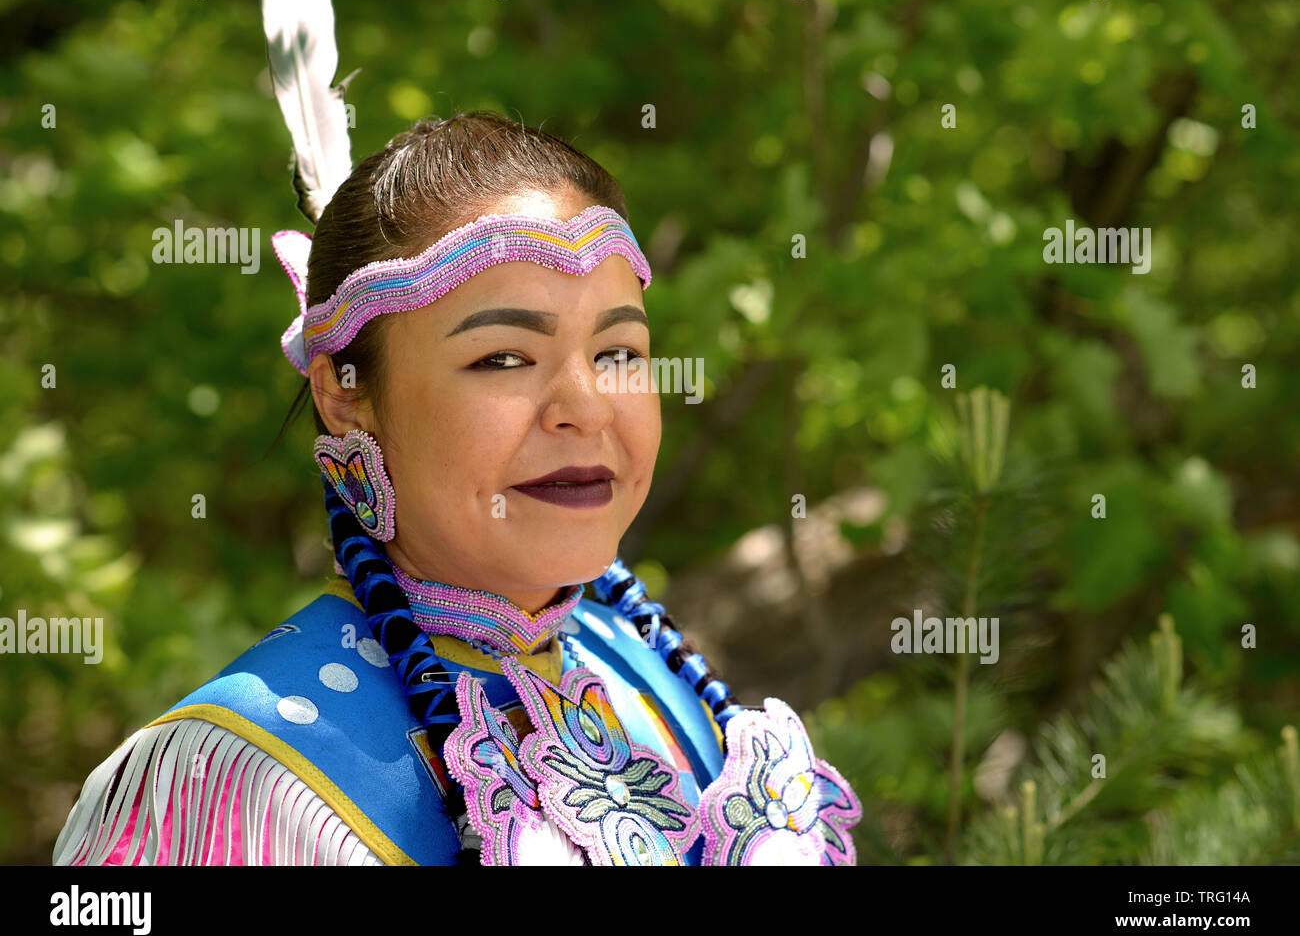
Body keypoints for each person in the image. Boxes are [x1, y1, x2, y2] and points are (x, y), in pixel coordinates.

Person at [52, 112, 862, 866]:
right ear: (346, 393)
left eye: (618, 353)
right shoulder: (246, 784)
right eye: (502, 358)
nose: (585, 408)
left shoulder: (649, 674)